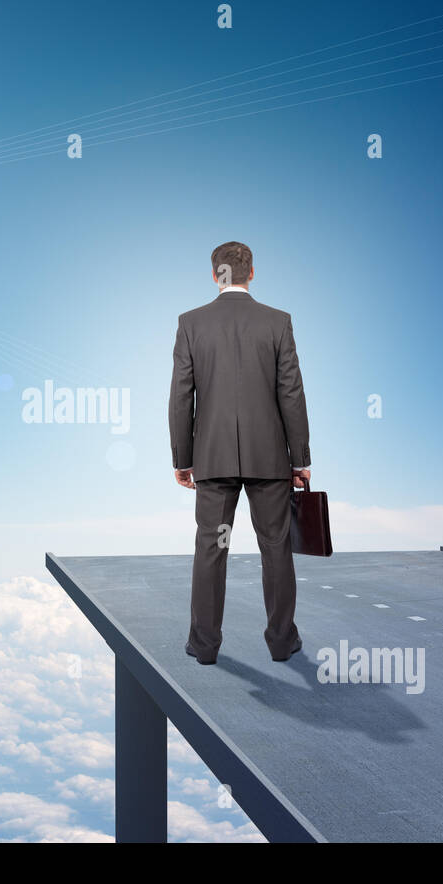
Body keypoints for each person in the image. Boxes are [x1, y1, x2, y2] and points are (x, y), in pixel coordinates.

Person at [168, 241, 311, 664]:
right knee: (276, 547)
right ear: (252, 273)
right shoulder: (278, 322)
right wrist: (299, 458)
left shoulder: (191, 323)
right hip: (269, 459)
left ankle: (205, 645)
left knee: (212, 548)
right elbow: (292, 394)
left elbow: (181, 397)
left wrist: (183, 458)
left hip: (212, 459)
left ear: (216, 275)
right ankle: (282, 642)